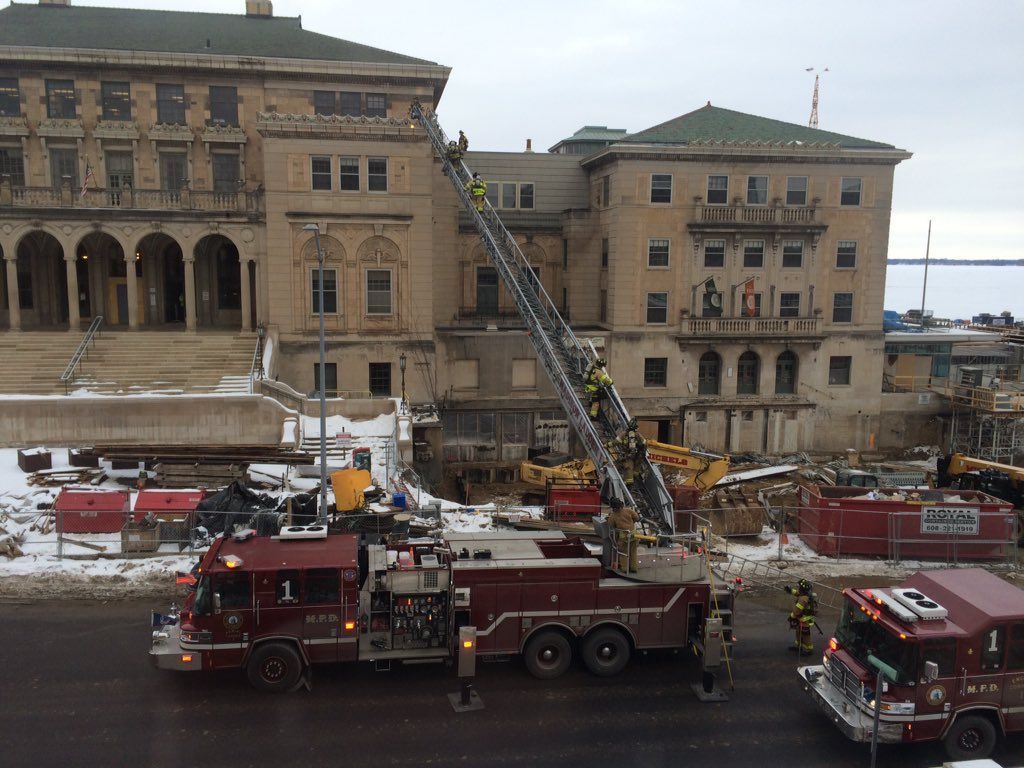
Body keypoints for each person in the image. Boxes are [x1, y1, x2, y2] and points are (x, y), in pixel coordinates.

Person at [784, 579, 817, 655]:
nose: (799, 588)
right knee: (798, 632)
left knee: (805, 635)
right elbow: (797, 593)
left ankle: (809, 650)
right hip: (801, 619)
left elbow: (797, 611)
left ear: (803, 589)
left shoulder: (803, 599)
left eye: (800, 587)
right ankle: (799, 646)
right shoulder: (805, 594)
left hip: (805, 620)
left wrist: (791, 617)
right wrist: (790, 590)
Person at [606, 499, 640, 573]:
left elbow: (610, 525)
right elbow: (637, 518)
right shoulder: (629, 510)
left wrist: (607, 518)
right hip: (634, 535)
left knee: (623, 553)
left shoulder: (613, 515)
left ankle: (624, 568)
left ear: (613, 507)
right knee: (633, 552)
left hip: (623, 537)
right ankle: (634, 568)